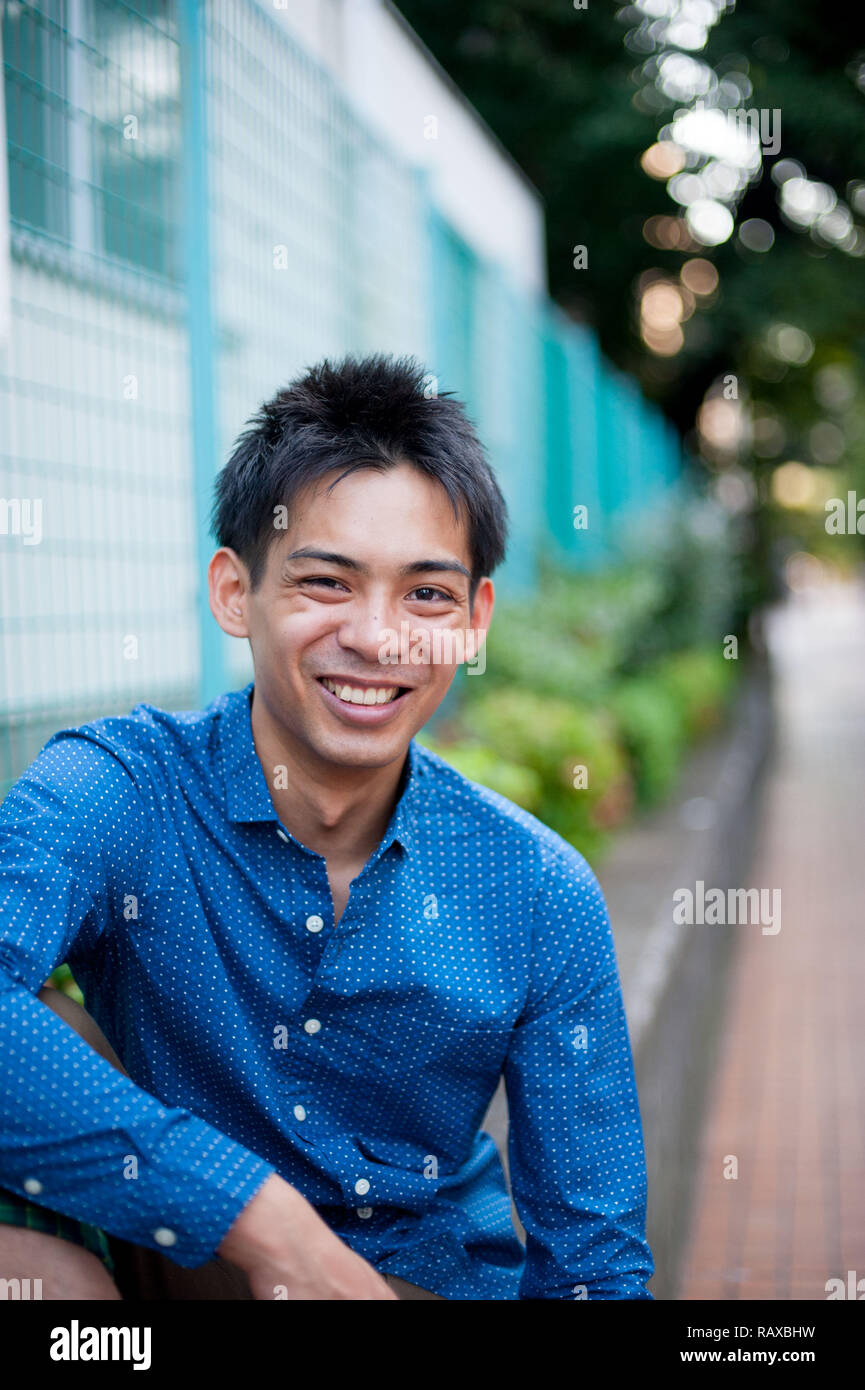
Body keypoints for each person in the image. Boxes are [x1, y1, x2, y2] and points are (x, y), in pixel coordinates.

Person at [0, 354, 654, 1300]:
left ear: (473, 623)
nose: (378, 638)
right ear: (236, 592)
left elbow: (594, 1264)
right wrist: (262, 1221)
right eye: (327, 583)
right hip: (174, 1260)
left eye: (427, 594)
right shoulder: (121, 791)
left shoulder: (535, 890)